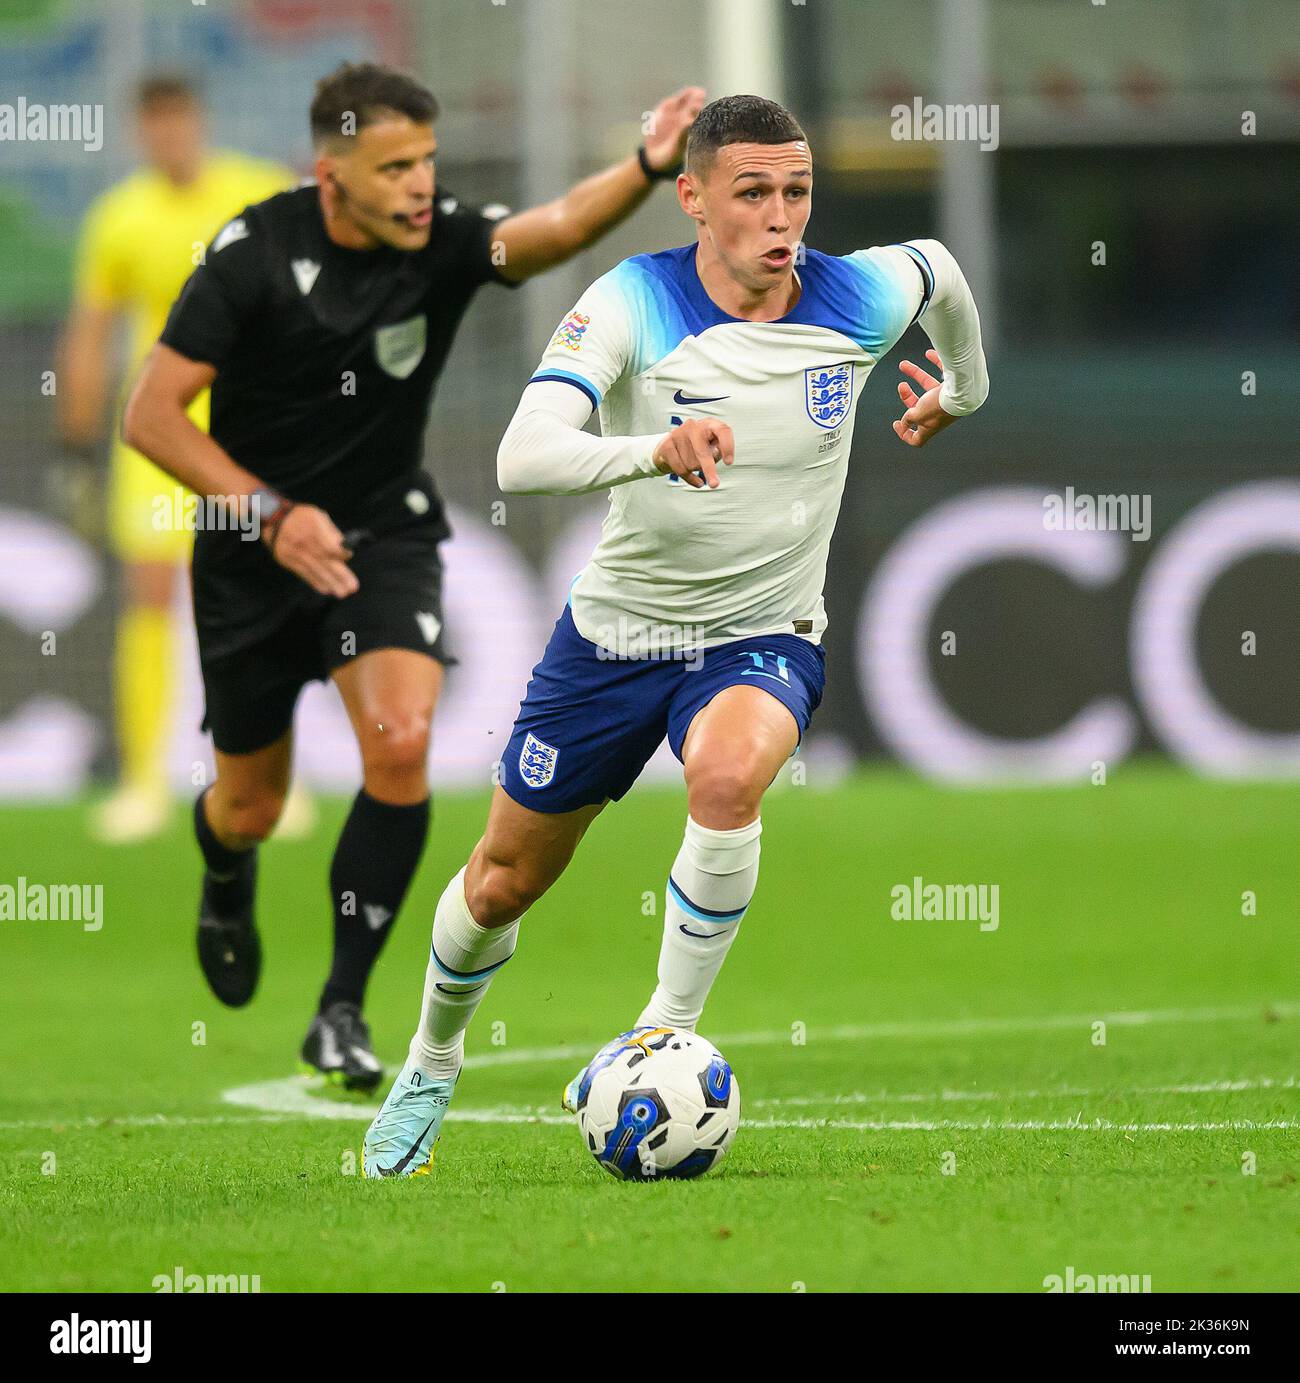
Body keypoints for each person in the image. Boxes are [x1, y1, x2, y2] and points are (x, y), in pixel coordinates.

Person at [362, 93, 990, 1177]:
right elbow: (522, 456)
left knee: (730, 779)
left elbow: (938, 265)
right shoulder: (633, 302)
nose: (780, 215)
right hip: (613, 639)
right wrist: (651, 450)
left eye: (796, 190)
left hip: (764, 629)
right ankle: (430, 1057)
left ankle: (656, 1031)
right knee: (503, 882)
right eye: (752, 193)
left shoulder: (857, 295)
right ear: (693, 198)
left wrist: (965, 391)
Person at [122, 61, 705, 1090]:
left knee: (399, 748)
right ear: (331, 172)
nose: (418, 185)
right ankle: (224, 868)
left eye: (427, 161)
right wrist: (268, 514)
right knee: (250, 806)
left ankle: (342, 1009)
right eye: (394, 166)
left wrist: (647, 165)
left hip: (381, 539)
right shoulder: (252, 253)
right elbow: (151, 416)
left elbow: (558, 227)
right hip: (251, 558)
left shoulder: (438, 241)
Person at [58, 73, 298, 844]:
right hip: (157, 432)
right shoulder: (119, 217)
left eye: (178, 121)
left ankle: (270, 782)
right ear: (141, 132)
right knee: (151, 596)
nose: (168, 137)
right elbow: (91, 333)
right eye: (153, 126)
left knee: (265, 596)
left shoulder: (256, 192)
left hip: (247, 427)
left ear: (197, 120)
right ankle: (143, 783)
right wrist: (74, 443)